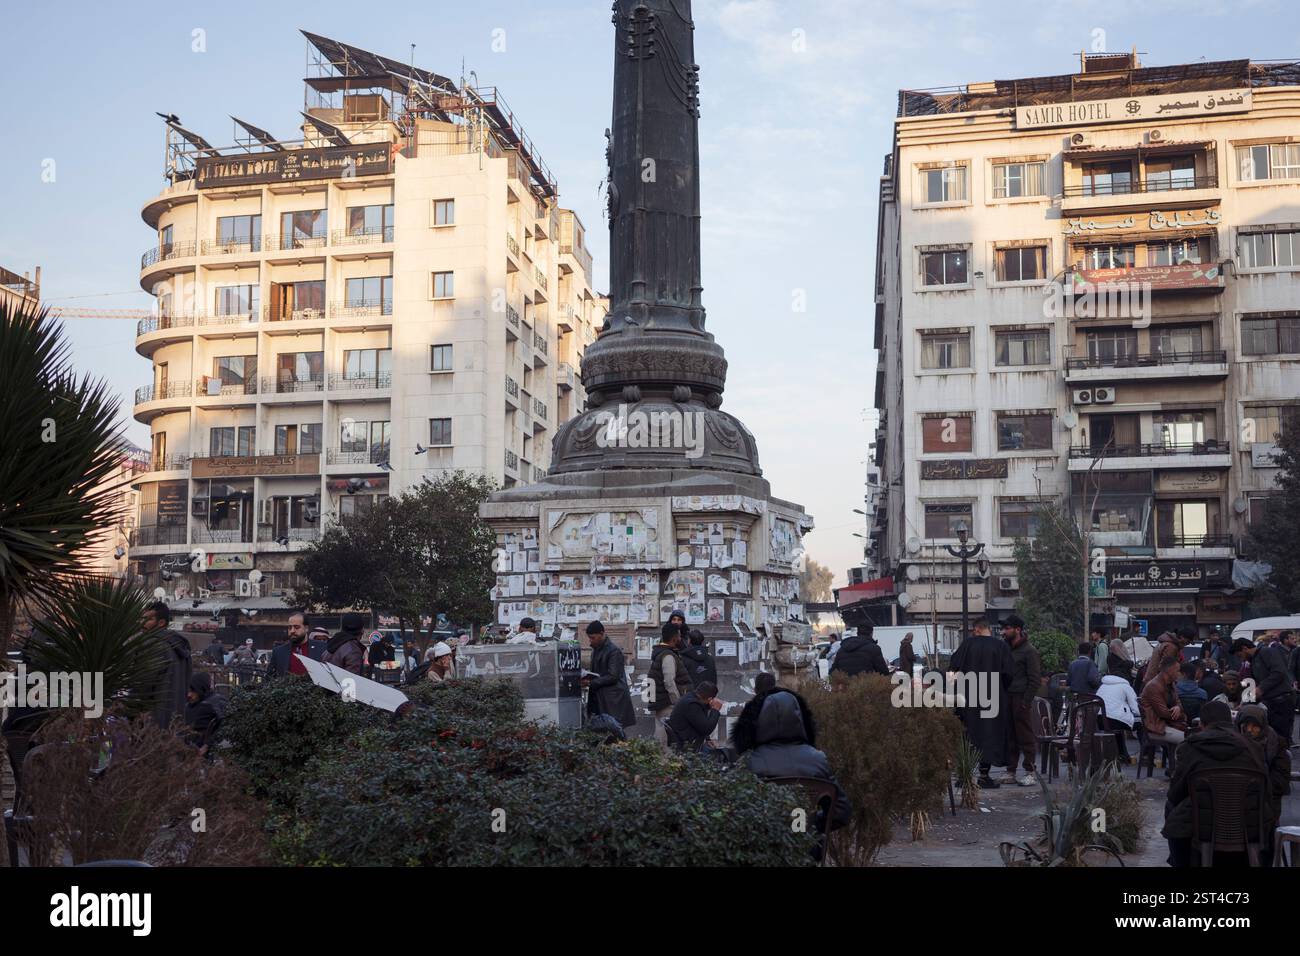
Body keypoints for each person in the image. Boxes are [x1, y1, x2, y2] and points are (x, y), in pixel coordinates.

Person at [1162, 700, 1267, 867]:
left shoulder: (1189, 747)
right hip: (1247, 828)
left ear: (1202, 725)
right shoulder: (1254, 748)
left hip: (1202, 832)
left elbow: (1175, 794)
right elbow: (1265, 790)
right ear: (1231, 722)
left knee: (1171, 807)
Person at [731, 688, 851, 833]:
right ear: (800, 720)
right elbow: (841, 813)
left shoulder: (749, 761)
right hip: (807, 849)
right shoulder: (818, 759)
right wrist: (808, 825)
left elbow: (735, 815)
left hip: (763, 849)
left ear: (761, 722)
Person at [950, 617, 1015, 788]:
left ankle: (965, 775)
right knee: (990, 734)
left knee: (968, 734)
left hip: (968, 696)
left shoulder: (967, 645)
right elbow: (1009, 673)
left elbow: (954, 666)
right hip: (993, 696)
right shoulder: (1000, 646)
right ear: (988, 629)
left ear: (977, 629)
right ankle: (984, 775)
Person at [1236, 703, 1292, 865]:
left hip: (1266, 801)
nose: (1250, 731)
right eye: (1246, 726)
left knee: (1264, 824)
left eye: (1255, 727)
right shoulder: (1233, 743)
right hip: (1239, 799)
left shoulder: (1276, 744)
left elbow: (1280, 782)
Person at [142, 601, 192, 732]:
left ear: (161, 623)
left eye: (148, 619)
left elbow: (144, 686)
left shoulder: (153, 646)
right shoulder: (181, 647)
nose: (143, 623)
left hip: (152, 723)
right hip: (175, 721)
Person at [1003, 615, 1041, 786]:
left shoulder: (1029, 651)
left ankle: (1030, 771)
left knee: (1024, 734)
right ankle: (1010, 771)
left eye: (1007, 628)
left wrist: (1026, 701)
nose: (1004, 632)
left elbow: (1035, 679)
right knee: (1010, 735)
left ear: (1017, 630)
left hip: (1021, 698)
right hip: (1008, 697)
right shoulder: (1006, 649)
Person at [583, 621, 636, 730]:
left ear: (602, 633)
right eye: (589, 638)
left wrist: (591, 682)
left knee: (612, 732)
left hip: (612, 700)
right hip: (600, 697)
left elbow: (613, 676)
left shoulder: (613, 651)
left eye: (593, 638)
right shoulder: (596, 649)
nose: (591, 640)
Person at [648, 623, 691, 744]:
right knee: (666, 738)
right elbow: (669, 682)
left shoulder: (663, 653)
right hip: (668, 704)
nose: (680, 639)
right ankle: (665, 761)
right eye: (679, 636)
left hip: (662, 702)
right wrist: (678, 702)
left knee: (661, 734)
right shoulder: (668, 656)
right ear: (674, 638)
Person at [1250, 632, 1296, 743]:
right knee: (1280, 729)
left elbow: (1284, 671)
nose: (1295, 640)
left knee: (1284, 726)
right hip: (1279, 695)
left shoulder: (1293, 651)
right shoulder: (1274, 651)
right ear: (1284, 640)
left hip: (1286, 692)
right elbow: (1282, 671)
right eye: (1292, 638)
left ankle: (1286, 744)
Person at [1141, 656, 1188, 750]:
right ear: (1170, 671)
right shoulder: (1153, 686)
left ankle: (1178, 763)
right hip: (1156, 729)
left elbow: (1179, 703)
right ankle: (1179, 764)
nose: (1180, 674)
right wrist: (1182, 715)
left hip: (1168, 725)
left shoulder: (1171, 684)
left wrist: (1178, 708)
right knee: (1188, 741)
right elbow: (1164, 713)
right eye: (1178, 671)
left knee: (1194, 738)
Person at [665, 681, 723, 752]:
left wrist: (707, 739)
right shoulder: (692, 705)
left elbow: (700, 723)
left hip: (686, 740)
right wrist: (715, 710)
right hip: (684, 745)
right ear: (710, 699)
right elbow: (706, 729)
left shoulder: (691, 698)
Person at [267, 611, 327, 679]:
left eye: (297, 627)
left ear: (306, 628)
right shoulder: (279, 652)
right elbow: (269, 678)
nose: (292, 631)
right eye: (290, 627)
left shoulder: (322, 648)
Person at [1096, 671, 1140, 763]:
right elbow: (1136, 708)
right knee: (1141, 725)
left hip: (1100, 720)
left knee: (1118, 727)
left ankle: (1122, 755)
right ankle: (1145, 754)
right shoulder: (1126, 686)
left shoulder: (1102, 686)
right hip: (1115, 721)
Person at [184, 672, 227, 758]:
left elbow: (225, 725)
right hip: (189, 749)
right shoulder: (191, 705)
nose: (189, 694)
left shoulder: (213, 703)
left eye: (193, 691)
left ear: (201, 689)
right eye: (189, 690)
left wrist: (207, 745)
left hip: (205, 753)